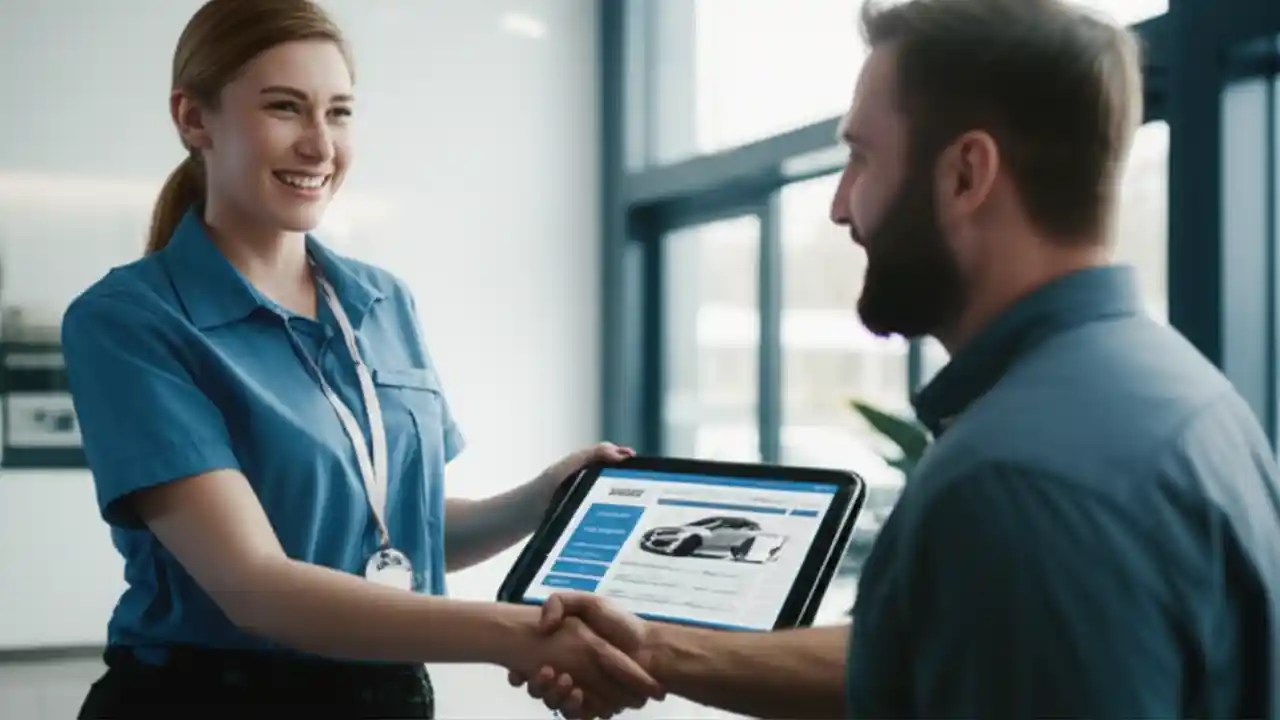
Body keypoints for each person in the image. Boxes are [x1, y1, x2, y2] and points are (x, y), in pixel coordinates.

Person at [511, 0, 1280, 717]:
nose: (841, 205)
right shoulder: (1184, 396)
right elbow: (926, 652)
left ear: (966, 174)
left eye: (861, 158)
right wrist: (658, 650)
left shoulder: (1013, 479)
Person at [61, 1, 660, 717]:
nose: (320, 145)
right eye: (286, 108)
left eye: (339, 113)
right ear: (194, 119)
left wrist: (539, 500)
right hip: (208, 700)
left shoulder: (382, 302)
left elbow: (393, 534)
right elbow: (253, 583)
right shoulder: (131, 321)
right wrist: (521, 635)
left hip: (386, 693)